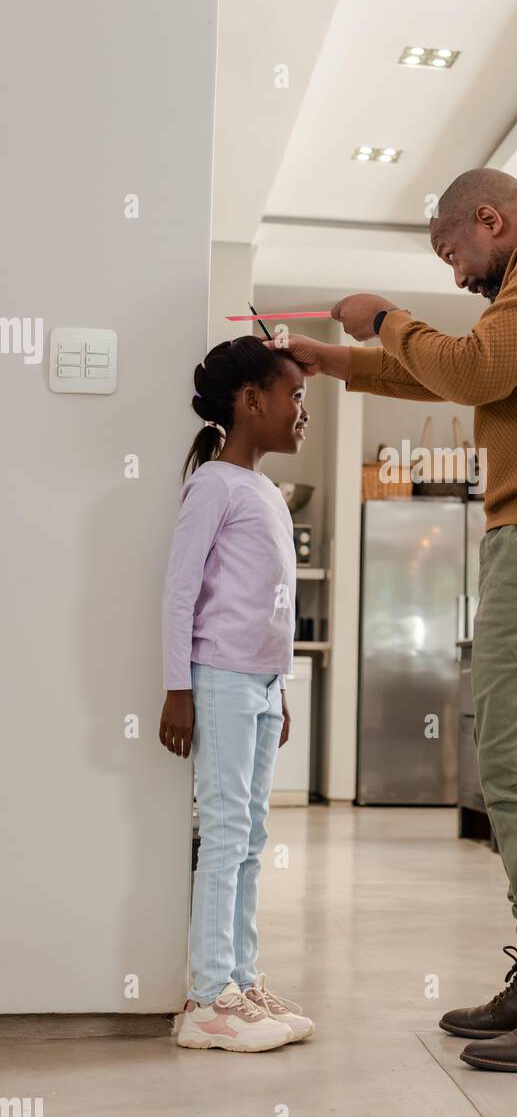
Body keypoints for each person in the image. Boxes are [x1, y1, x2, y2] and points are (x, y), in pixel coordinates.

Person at [278, 168, 517, 1073]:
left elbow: (476, 364)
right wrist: (340, 361)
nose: (456, 277)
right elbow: (481, 380)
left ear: (491, 218)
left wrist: (382, 320)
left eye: (454, 253)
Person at [160, 335, 315, 1053]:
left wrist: (280, 688)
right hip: (217, 679)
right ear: (251, 403)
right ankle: (204, 1000)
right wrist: (176, 688)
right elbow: (181, 592)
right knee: (225, 834)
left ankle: (241, 981)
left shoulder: (265, 491)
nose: (301, 411)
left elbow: (270, 604)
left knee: (252, 835)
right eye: (295, 397)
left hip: (257, 683)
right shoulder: (213, 485)